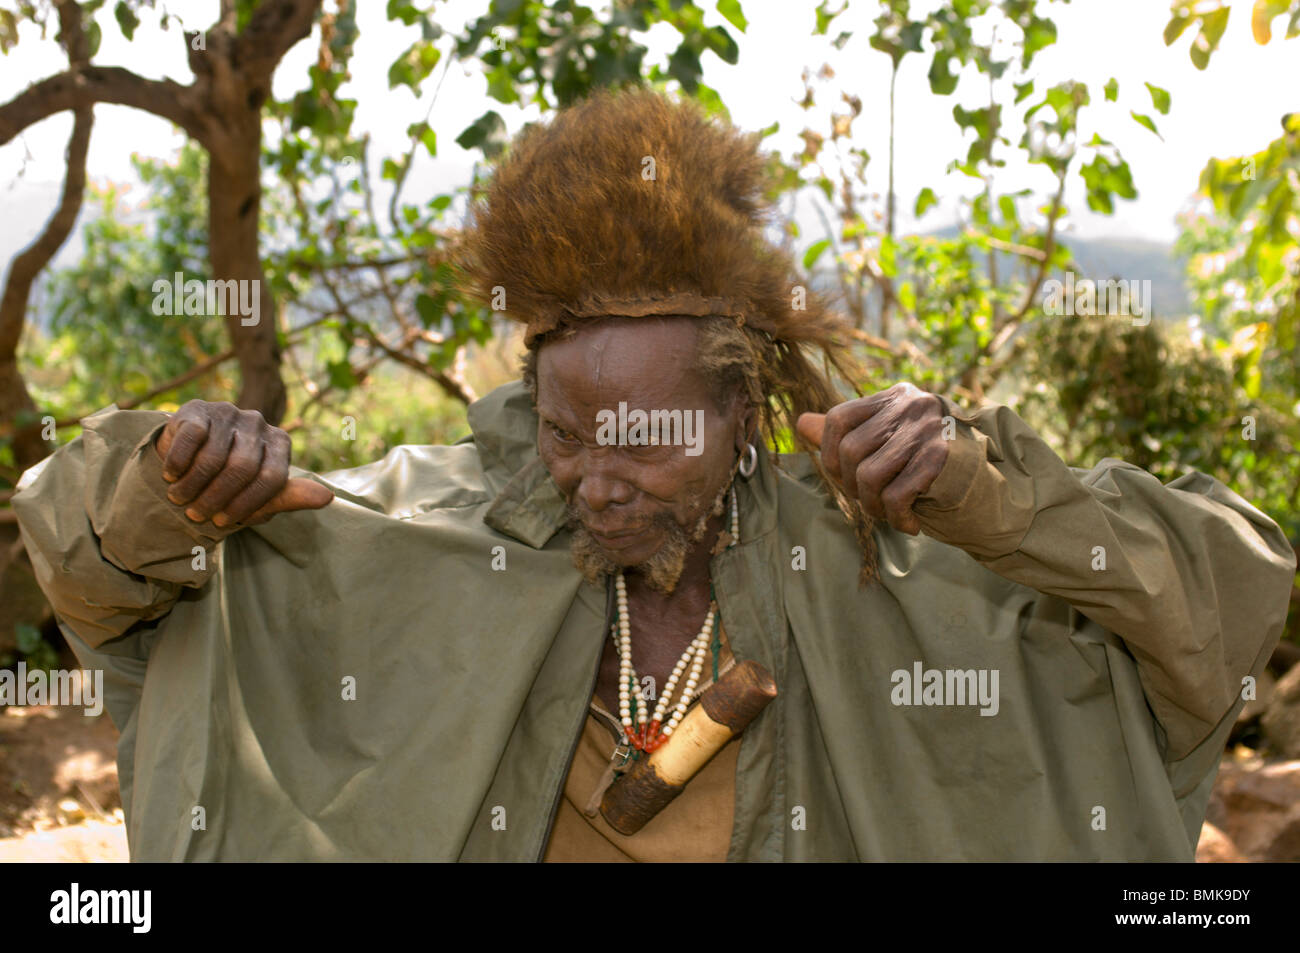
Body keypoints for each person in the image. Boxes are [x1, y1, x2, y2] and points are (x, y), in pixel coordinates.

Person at [13, 88, 1295, 862]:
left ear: (747, 407)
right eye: (568, 433)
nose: (598, 480)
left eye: (645, 438)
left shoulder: (896, 563)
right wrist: (162, 492)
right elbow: (88, 575)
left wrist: (994, 498)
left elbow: (1223, 598)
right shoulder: (409, 528)